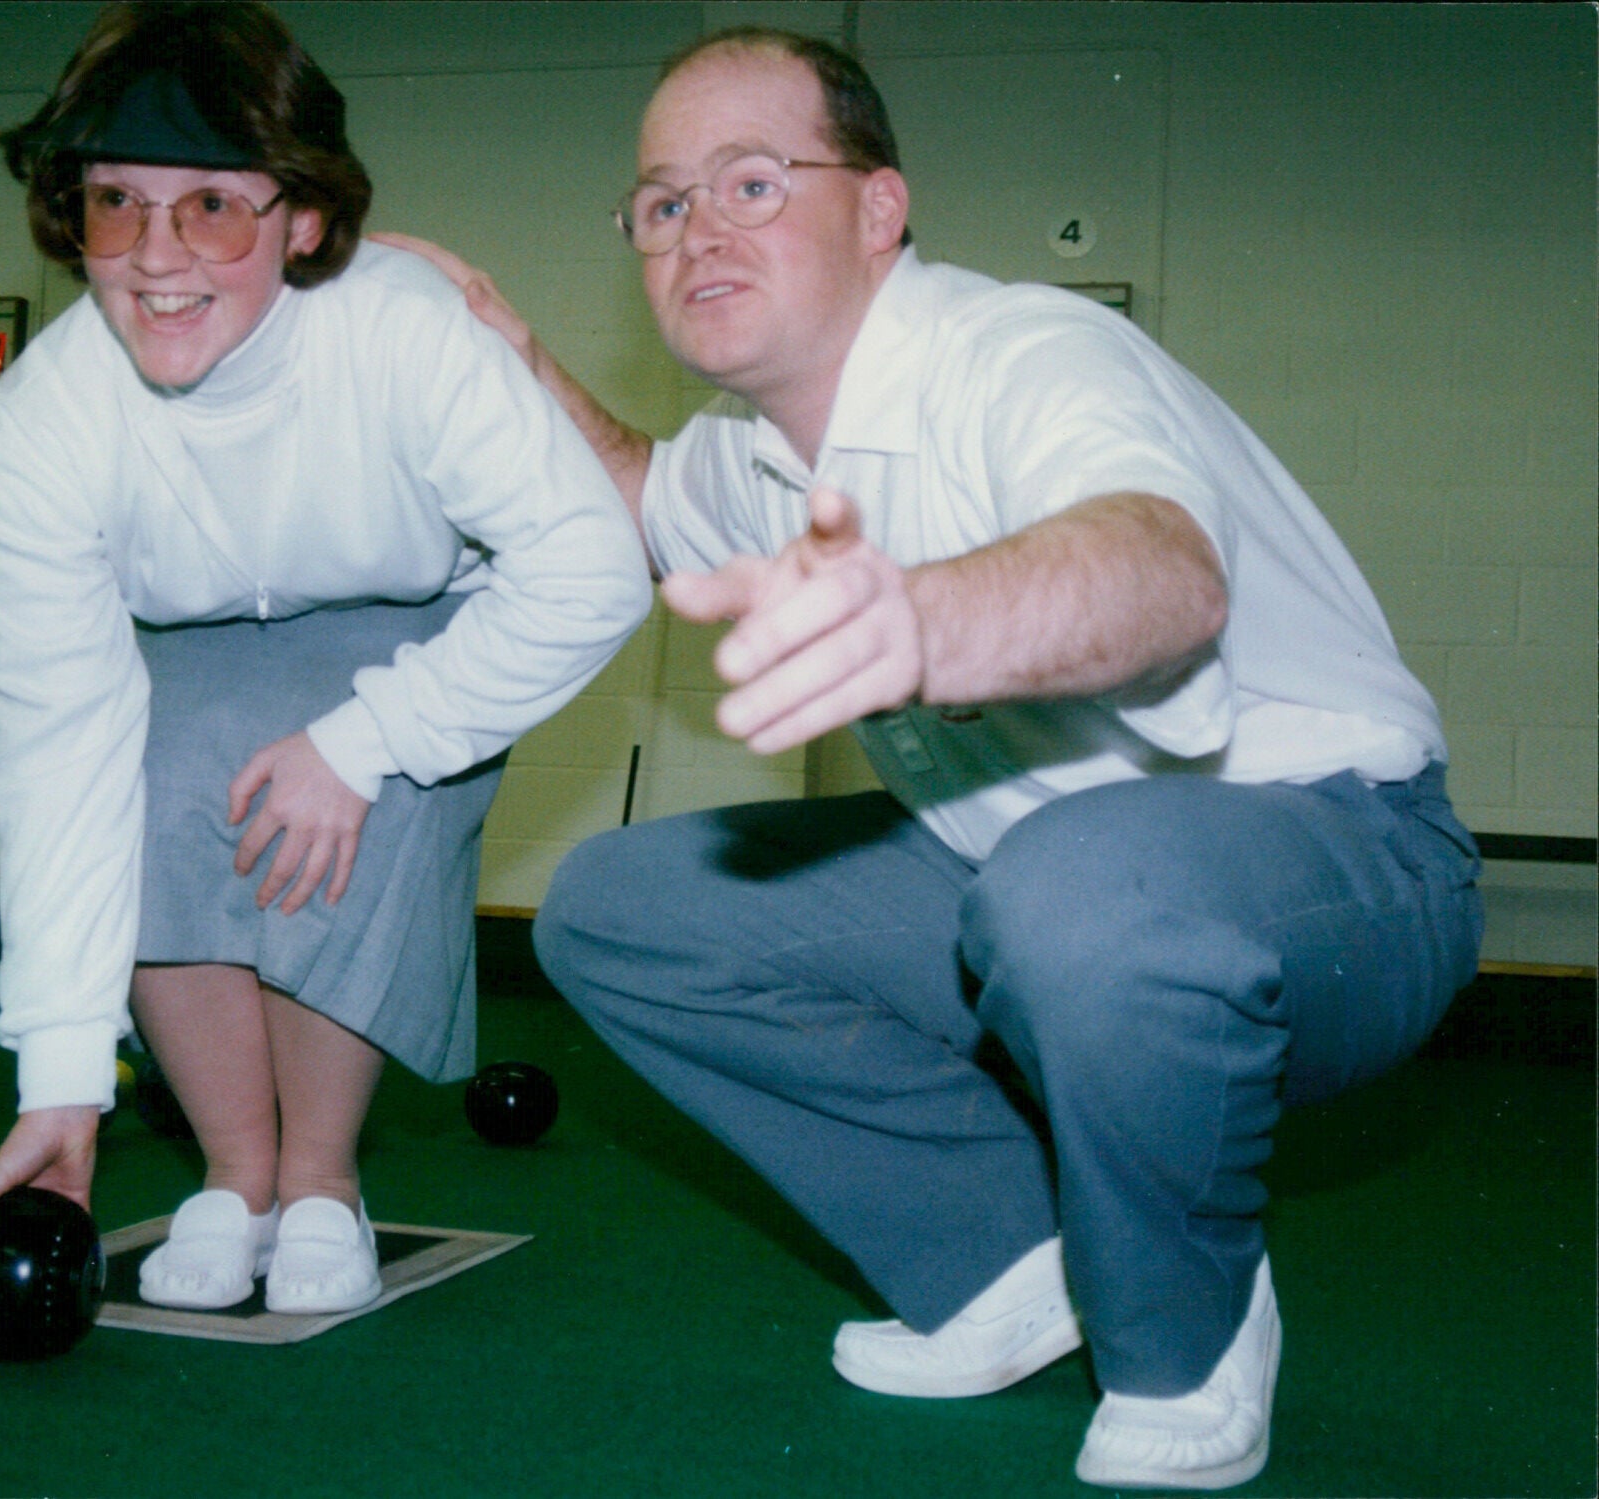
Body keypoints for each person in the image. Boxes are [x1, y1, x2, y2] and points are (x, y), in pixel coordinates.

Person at [381, 25, 1482, 1491]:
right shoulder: (750, 452)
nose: (698, 227)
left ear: (880, 209)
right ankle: (1003, 1261)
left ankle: (1185, 1337)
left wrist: (924, 621)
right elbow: (646, 500)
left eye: (753, 183)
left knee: (1075, 888)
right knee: (623, 913)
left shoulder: (1022, 352)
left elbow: (1161, 573)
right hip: (1023, 880)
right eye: (662, 202)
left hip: (1340, 863)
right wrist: (515, 364)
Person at [0, 1, 649, 1320]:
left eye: (212, 205)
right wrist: (60, 1079)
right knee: (147, 774)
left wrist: (364, 740)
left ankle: (322, 1181)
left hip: (416, 623)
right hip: (185, 645)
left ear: (304, 218)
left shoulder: (402, 330)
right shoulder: (43, 421)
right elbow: (56, 745)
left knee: (356, 788)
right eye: (116, 205)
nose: (158, 259)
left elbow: (591, 570)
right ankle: (236, 1174)